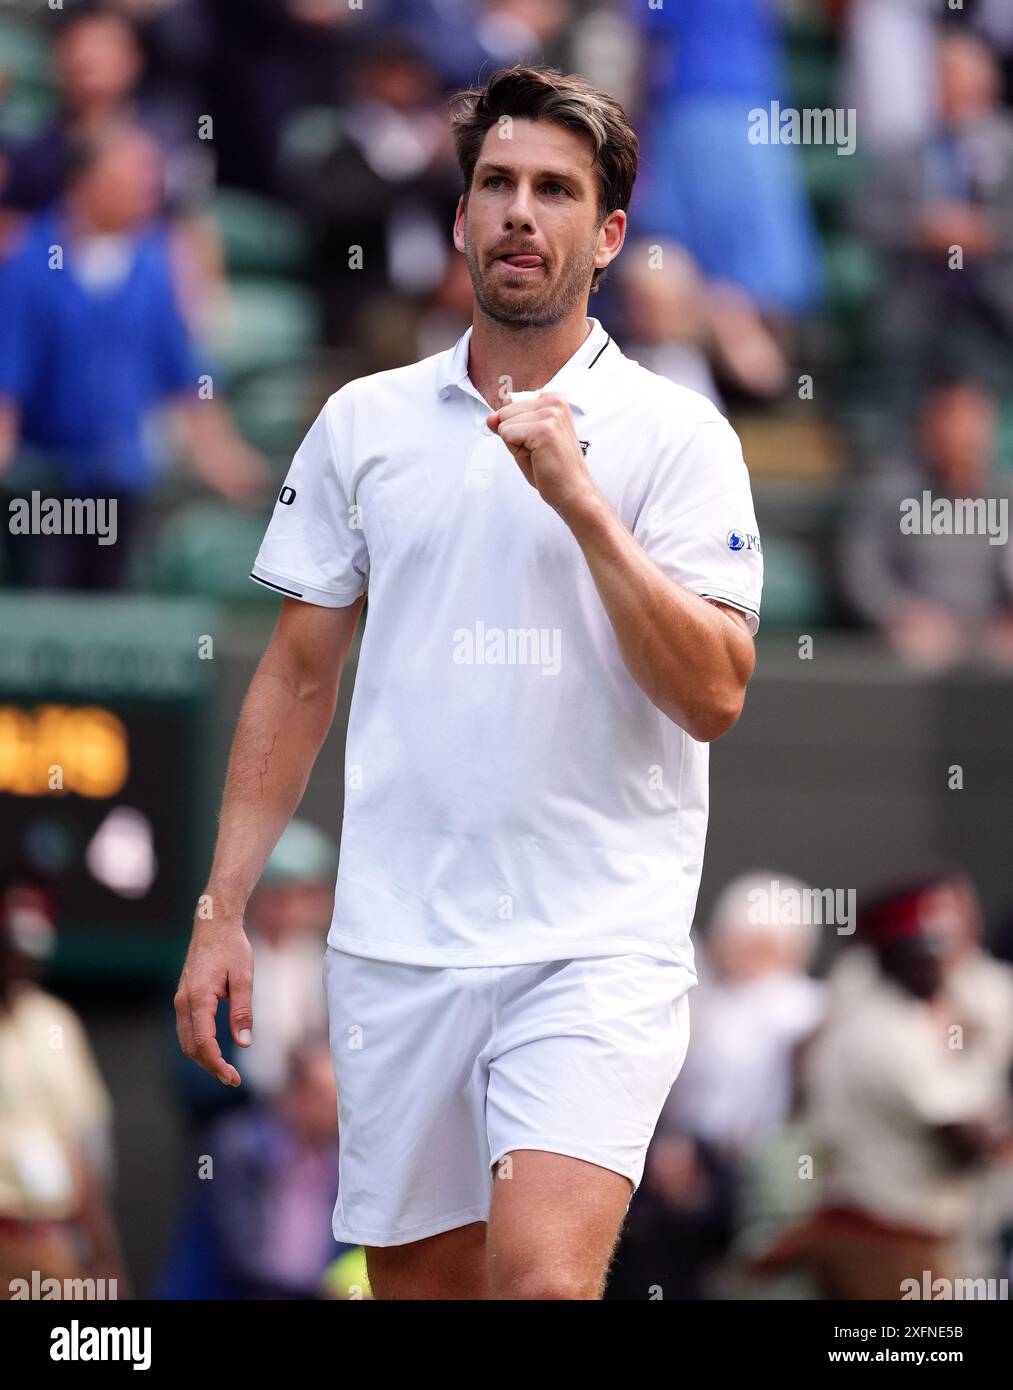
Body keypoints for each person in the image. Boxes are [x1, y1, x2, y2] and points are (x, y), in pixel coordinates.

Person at [175, 64, 763, 1302]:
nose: (517, 212)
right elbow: (292, 678)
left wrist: (584, 507)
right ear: (458, 218)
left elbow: (713, 691)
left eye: (554, 190)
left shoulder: (676, 435)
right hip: (394, 947)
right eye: (495, 183)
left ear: (605, 237)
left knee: (541, 1285)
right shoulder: (360, 421)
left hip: (596, 947)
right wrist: (221, 909)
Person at [0, 123, 266, 589]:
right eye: (130, 177)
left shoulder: (154, 265)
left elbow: (185, 369)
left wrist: (223, 454)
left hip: (127, 484)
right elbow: (8, 380)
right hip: (46, 490)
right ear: (84, 185)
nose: (147, 190)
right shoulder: (29, 264)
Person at [754, 873, 1013, 1299]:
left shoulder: (890, 1019)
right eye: (921, 956)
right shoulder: (884, 1030)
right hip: (885, 1241)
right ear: (891, 958)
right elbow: (963, 1145)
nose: (937, 969)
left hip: (885, 1235)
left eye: (939, 954)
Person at [0, 873, 128, 1296]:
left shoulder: (55, 1022)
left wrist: (104, 1257)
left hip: (51, 1240)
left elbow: (83, 1148)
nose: (19, 962)